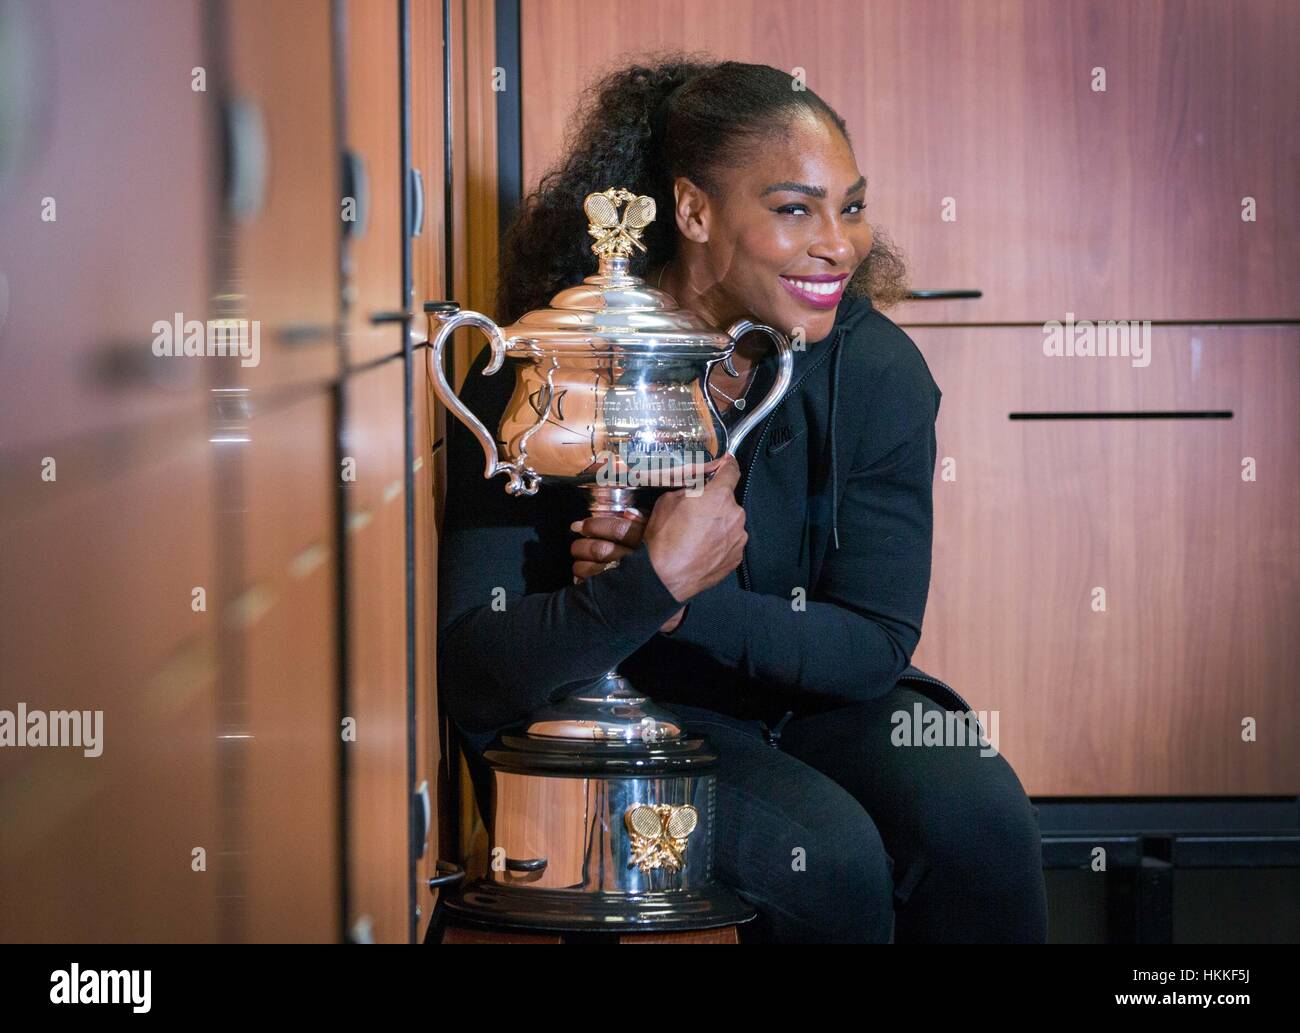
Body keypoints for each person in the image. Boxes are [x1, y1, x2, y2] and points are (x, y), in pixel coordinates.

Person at [437, 53, 1048, 943]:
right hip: (602, 709)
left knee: (980, 821)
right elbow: (477, 663)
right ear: (693, 211)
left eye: (852, 205)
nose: (838, 242)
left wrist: (688, 603)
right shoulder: (560, 367)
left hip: (811, 700)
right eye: (794, 208)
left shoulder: (875, 369)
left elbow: (874, 643)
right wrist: (643, 589)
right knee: (829, 863)